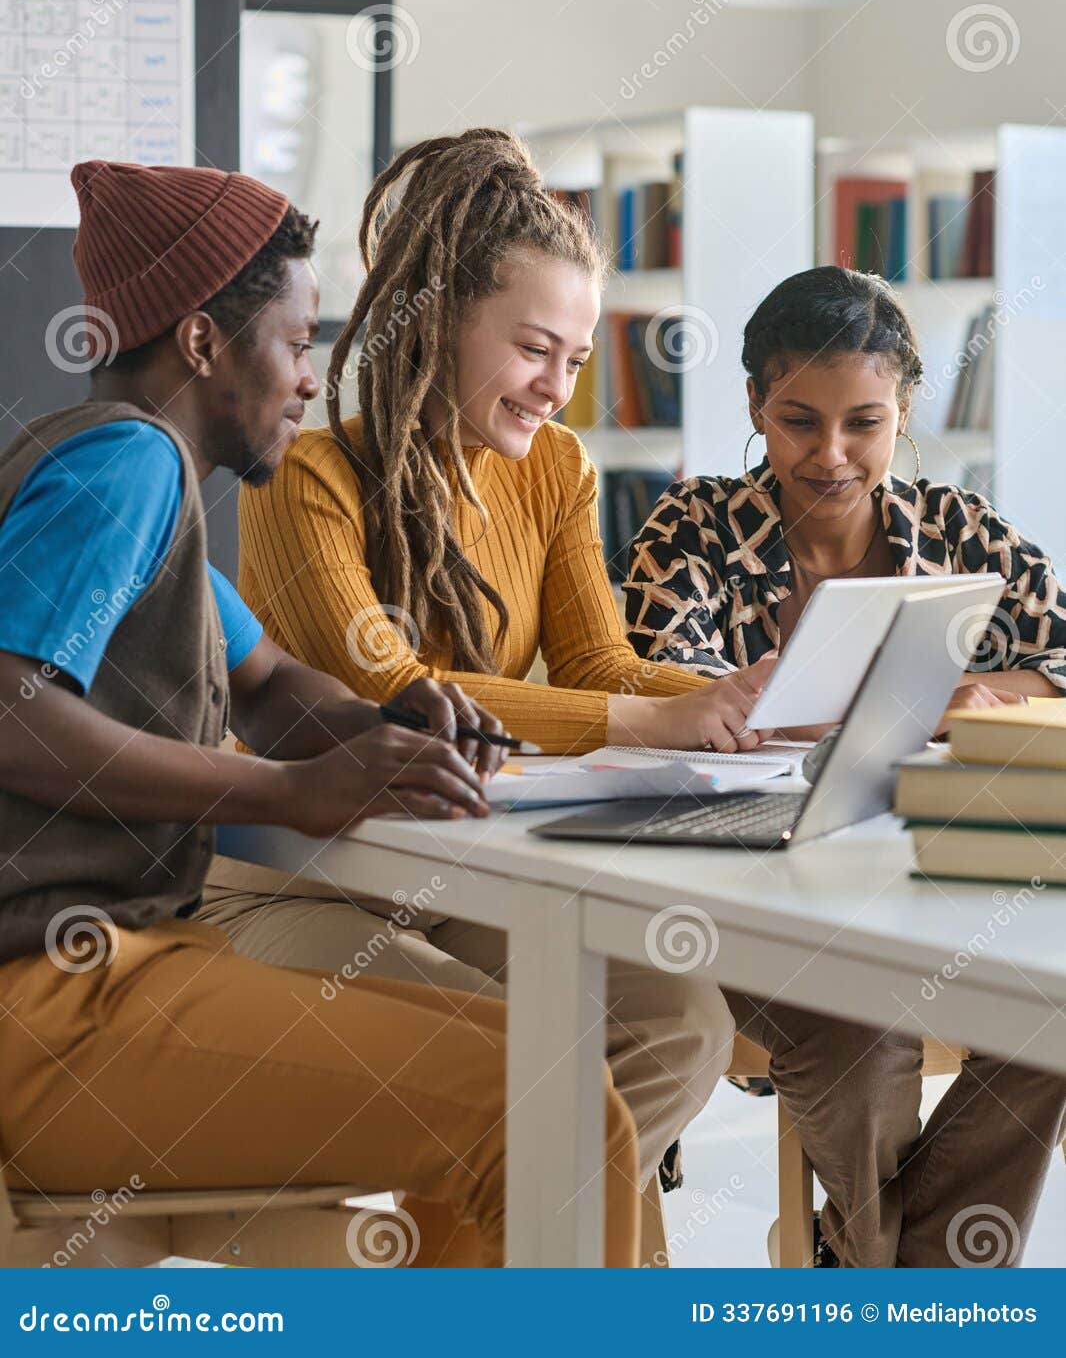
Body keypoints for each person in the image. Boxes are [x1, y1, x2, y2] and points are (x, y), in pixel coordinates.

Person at [0, 158, 643, 1269]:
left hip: (121, 968)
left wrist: (386, 717)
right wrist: (292, 788)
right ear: (204, 343)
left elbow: (267, 683)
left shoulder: (135, 483)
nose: (309, 380)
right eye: (297, 345)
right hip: (56, 1006)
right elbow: (14, 713)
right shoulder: (130, 466)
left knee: (556, 1073)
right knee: (554, 1107)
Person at [196, 129, 759, 1262]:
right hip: (302, 879)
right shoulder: (311, 478)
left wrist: (738, 697)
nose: (559, 388)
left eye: (578, 355)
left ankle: (507, 1278)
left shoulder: (555, 470)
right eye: (535, 348)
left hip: (465, 871)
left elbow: (601, 668)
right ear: (444, 319)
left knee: (675, 1022)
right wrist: (654, 720)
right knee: (526, 1055)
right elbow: (399, 696)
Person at [625, 264, 1066, 1266]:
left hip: (924, 889)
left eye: (863, 422)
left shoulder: (959, 531)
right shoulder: (689, 533)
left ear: (905, 407)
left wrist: (999, 695)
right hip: (743, 897)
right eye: (796, 421)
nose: (830, 456)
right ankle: (897, 1291)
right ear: (752, 405)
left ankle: (868, 1273)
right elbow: (667, 701)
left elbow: (1060, 651)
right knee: (860, 1026)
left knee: (1050, 998)